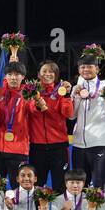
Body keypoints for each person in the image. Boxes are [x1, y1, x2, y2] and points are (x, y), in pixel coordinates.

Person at [27, 60, 73, 192]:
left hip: (58, 146)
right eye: (44, 71)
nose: (47, 74)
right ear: (38, 74)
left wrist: (67, 95)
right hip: (37, 147)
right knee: (38, 185)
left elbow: (68, 113)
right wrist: (37, 103)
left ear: (56, 75)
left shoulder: (61, 91)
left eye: (51, 71)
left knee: (60, 184)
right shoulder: (31, 91)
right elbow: (31, 110)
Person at [71, 52, 105, 188]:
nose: (86, 69)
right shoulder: (75, 89)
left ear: (97, 69)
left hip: (100, 142)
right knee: (80, 186)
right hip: (79, 144)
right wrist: (76, 96)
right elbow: (72, 116)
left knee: (99, 185)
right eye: (83, 67)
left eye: (90, 66)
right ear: (79, 70)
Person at [0, 62, 31, 179]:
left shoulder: (28, 94)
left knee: (17, 187)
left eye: (17, 74)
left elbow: (34, 111)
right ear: (5, 77)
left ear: (23, 76)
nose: (13, 77)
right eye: (9, 74)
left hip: (19, 149)